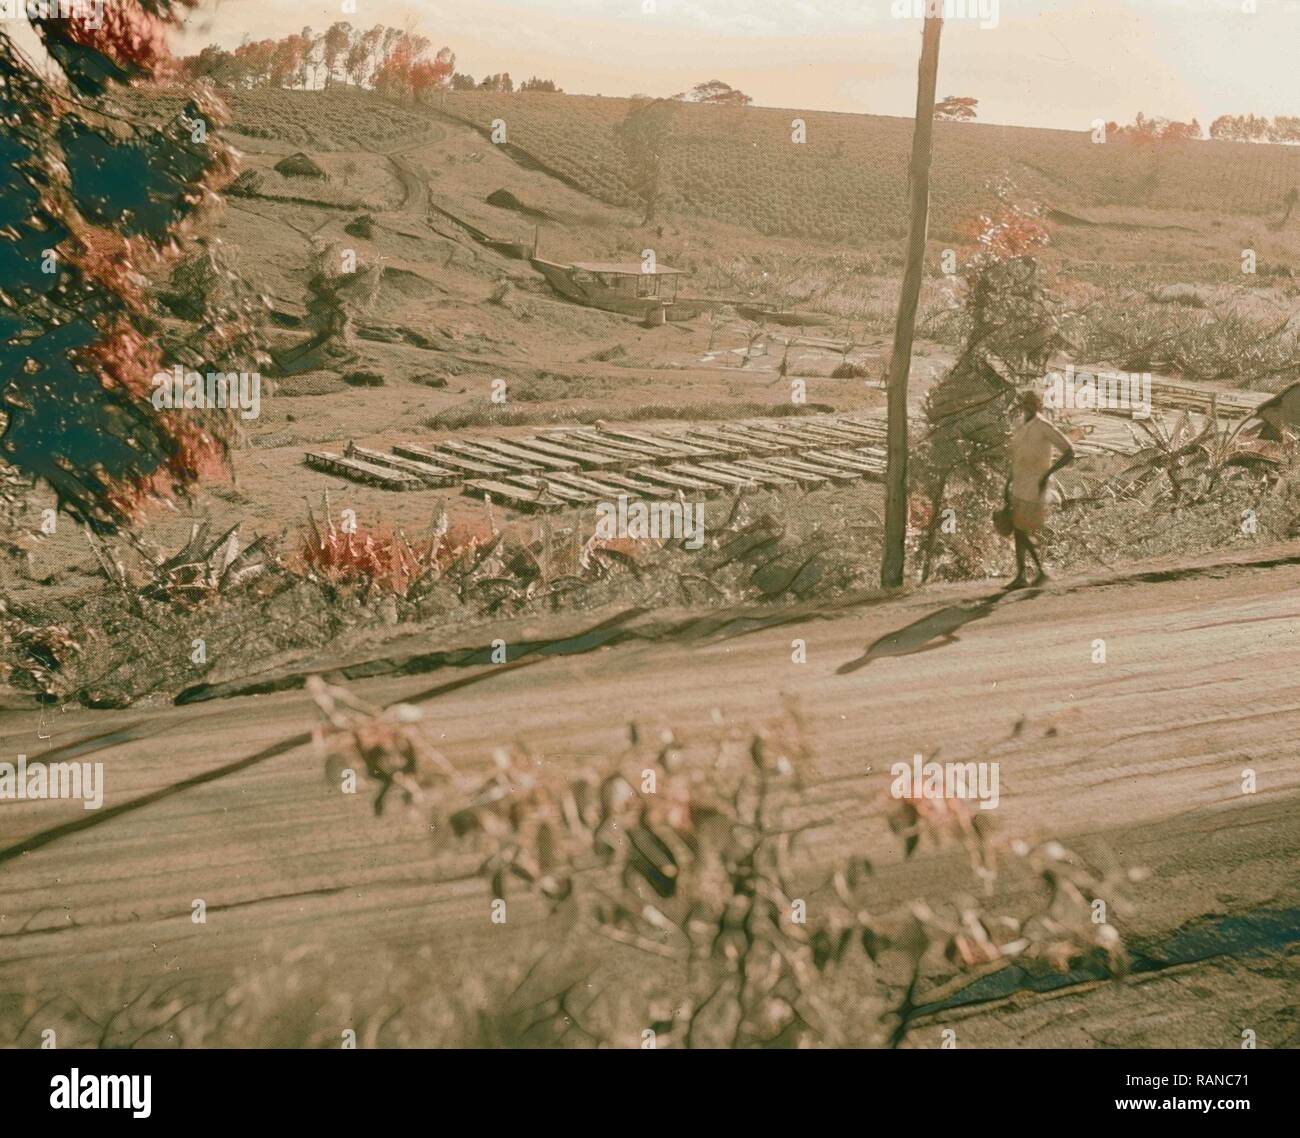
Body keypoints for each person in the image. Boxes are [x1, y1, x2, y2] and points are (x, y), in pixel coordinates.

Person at [1005, 389, 1074, 589]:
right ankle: (1027, 574)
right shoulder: (1019, 424)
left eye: (1033, 404)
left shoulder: (1044, 427)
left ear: (1039, 406)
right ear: (1022, 405)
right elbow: (1015, 457)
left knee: (1021, 529)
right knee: (1019, 530)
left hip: (1036, 484)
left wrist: (1047, 474)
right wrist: (1007, 483)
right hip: (1019, 482)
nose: (1028, 407)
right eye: (1026, 404)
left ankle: (1032, 573)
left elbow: (1069, 452)